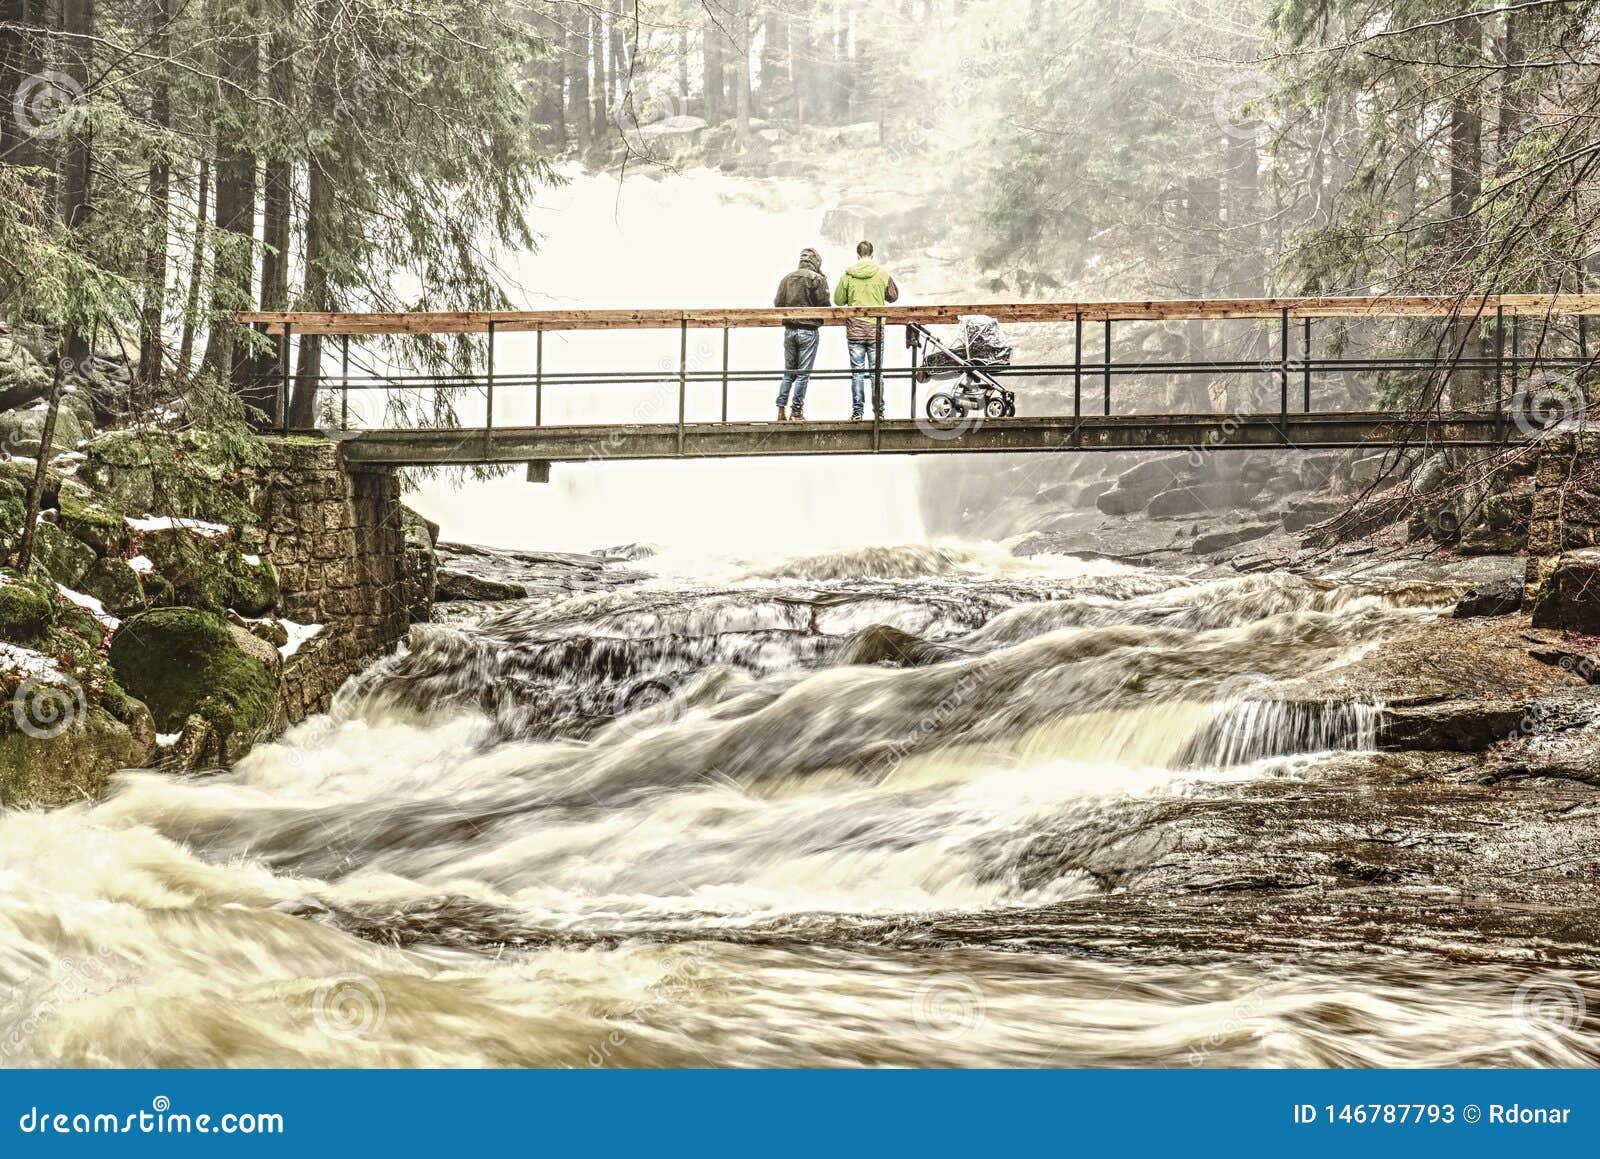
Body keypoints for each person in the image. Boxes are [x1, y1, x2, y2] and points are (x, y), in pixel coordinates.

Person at [833, 240, 900, 420]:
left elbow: (838, 300)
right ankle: (879, 411)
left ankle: (857, 412)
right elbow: (893, 297)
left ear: (857, 255)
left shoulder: (848, 275)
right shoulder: (882, 274)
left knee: (857, 372)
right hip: (876, 330)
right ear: (872, 255)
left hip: (855, 330)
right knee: (876, 371)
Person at [772, 247, 830, 421]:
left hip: (789, 330)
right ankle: (796, 411)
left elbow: (778, 303)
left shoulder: (787, 278)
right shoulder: (817, 279)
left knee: (789, 372)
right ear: (816, 262)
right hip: (809, 330)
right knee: (803, 373)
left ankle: (781, 409)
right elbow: (825, 305)